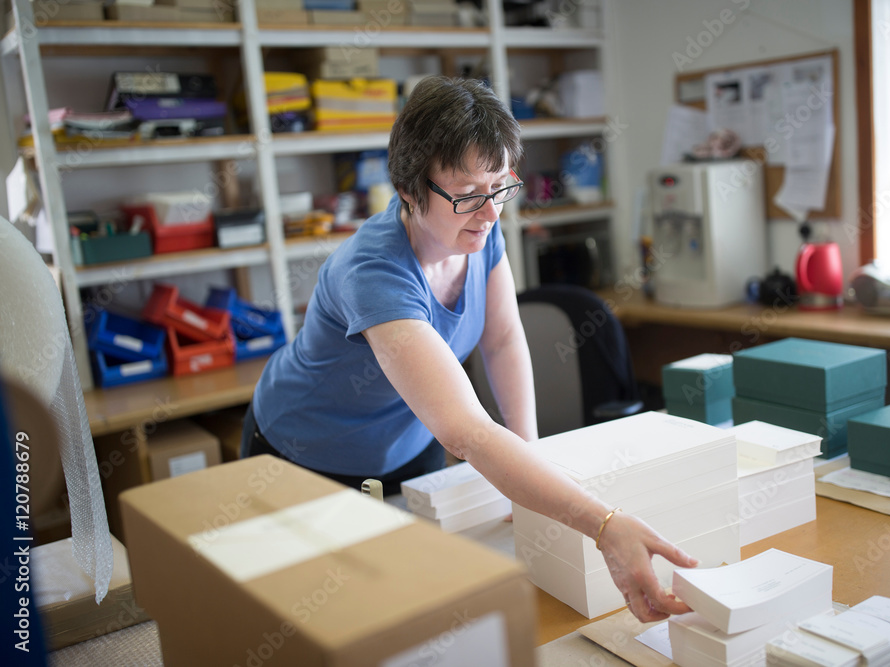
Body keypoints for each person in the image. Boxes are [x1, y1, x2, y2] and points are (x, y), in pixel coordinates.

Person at [242, 75, 697, 622]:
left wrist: (529, 459)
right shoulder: (374, 272)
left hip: (410, 448)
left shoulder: (479, 233)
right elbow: (466, 430)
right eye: (466, 195)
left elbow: (502, 340)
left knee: (417, 602)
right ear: (409, 189)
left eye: (500, 187)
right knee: (328, 619)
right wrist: (602, 524)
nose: (489, 213)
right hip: (306, 454)